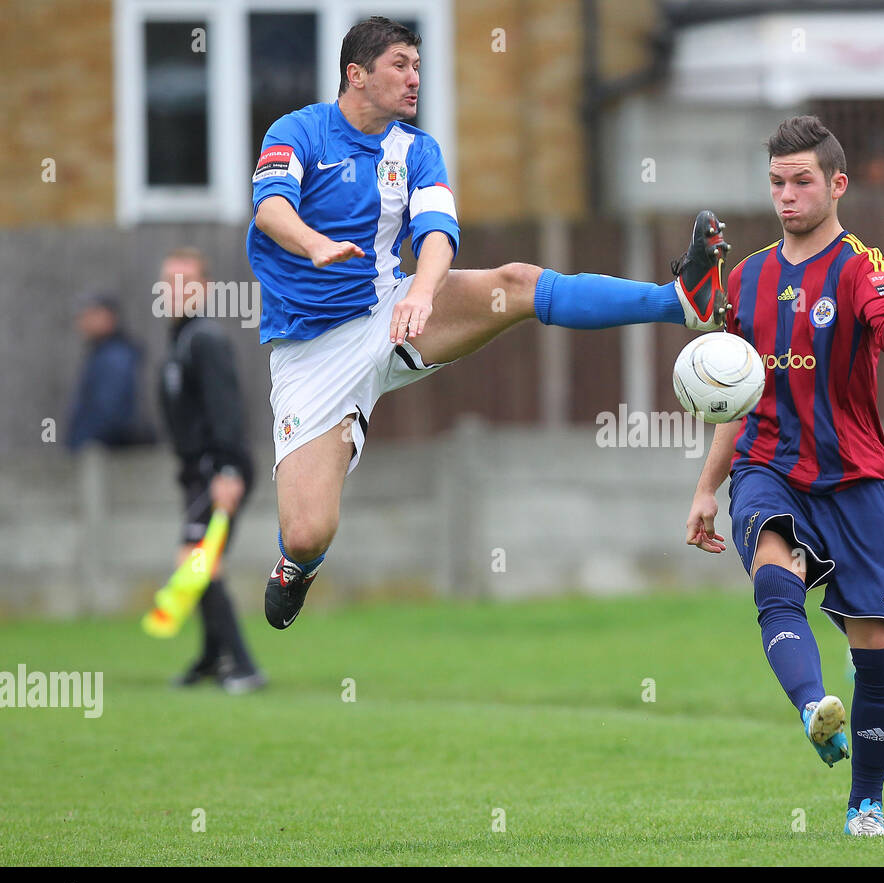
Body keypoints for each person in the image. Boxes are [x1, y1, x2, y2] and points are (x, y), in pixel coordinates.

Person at [250, 17, 729, 629]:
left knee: (517, 284)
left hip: (387, 313)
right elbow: (270, 208)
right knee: (311, 530)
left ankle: (680, 302)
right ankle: (296, 565)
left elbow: (438, 235)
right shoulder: (298, 131)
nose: (414, 78)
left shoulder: (417, 150)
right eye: (400, 64)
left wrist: (421, 293)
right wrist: (315, 244)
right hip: (310, 354)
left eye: (418, 66)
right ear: (356, 74)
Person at [684, 116, 884, 837]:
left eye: (801, 182)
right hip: (771, 468)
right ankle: (811, 705)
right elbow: (735, 393)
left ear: (836, 185)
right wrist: (707, 488)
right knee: (773, 573)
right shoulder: (749, 277)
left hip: (855, 479)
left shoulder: (860, 265)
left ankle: (865, 805)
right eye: (776, 183)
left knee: (879, 652)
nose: (786, 196)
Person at [156, 247, 265, 694]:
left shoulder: (206, 339)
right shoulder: (179, 340)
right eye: (168, 282)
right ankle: (209, 658)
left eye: (185, 282)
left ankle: (242, 666)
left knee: (197, 564)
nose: (175, 290)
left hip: (218, 471)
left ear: (203, 290)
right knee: (201, 564)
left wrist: (225, 470)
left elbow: (227, 410)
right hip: (196, 473)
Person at [67, 294, 154, 450]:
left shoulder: (115, 357)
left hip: (106, 455)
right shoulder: (103, 354)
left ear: (107, 317)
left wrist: (85, 443)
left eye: (90, 315)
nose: (82, 323)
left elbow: (109, 410)